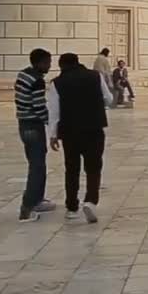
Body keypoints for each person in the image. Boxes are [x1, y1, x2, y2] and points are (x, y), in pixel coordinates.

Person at [47, 52, 113, 224]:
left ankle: (71, 207)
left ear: (62, 66)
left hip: (70, 132)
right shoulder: (95, 76)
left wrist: (53, 135)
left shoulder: (57, 83)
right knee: (93, 167)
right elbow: (109, 98)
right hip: (94, 129)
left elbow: (54, 112)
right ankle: (91, 201)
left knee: (72, 169)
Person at [15, 48, 55, 223]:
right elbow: (39, 107)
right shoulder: (37, 81)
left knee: (36, 162)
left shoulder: (23, 75)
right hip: (33, 125)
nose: (49, 66)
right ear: (39, 63)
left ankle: (38, 200)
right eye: (47, 62)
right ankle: (27, 207)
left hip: (23, 123)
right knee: (37, 167)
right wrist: (52, 125)